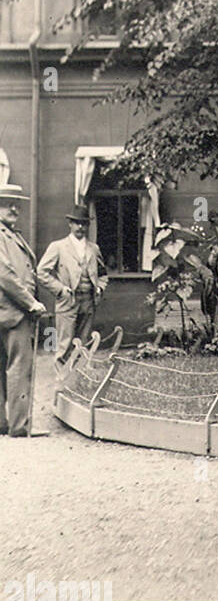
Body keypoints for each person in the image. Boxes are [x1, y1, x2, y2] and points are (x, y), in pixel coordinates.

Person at [0, 182, 47, 437]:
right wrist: (31, 302)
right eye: (8, 203)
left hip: (7, 311)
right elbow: (5, 275)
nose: (14, 208)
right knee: (19, 367)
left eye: (17, 204)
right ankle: (19, 426)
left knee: (3, 367)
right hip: (15, 312)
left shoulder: (12, 234)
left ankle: (3, 423)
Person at [37, 205, 108, 366]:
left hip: (88, 302)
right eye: (76, 223)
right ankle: (61, 379)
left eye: (83, 223)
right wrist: (60, 289)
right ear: (70, 224)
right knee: (65, 343)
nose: (80, 227)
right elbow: (41, 272)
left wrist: (99, 287)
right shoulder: (58, 247)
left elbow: (103, 275)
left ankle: (78, 376)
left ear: (88, 225)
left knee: (82, 342)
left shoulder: (94, 249)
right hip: (68, 301)